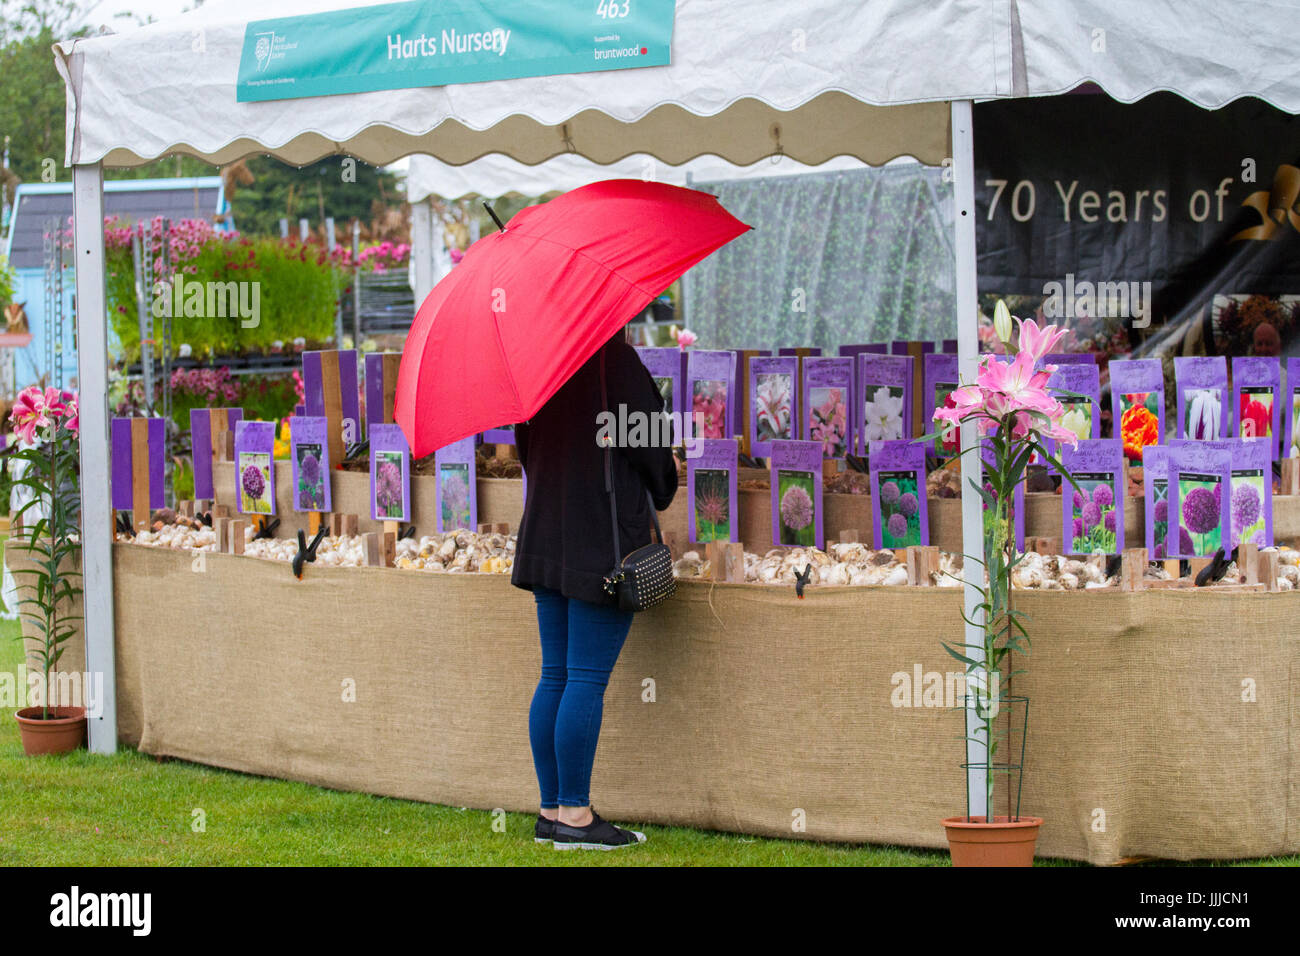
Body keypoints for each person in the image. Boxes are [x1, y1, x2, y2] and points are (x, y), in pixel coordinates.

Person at [511, 330, 678, 850]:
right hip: (600, 541)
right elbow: (653, 455)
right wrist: (664, 485)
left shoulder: (537, 359)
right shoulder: (615, 363)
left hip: (544, 531)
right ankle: (576, 818)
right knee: (583, 679)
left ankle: (551, 811)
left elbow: (524, 445)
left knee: (555, 675)